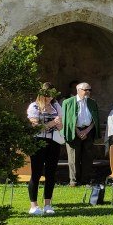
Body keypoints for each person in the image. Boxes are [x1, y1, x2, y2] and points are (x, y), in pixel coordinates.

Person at [26, 83, 63, 215]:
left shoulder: (56, 106)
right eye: (47, 95)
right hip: (38, 142)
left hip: (53, 142)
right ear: (41, 94)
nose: (49, 98)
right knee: (36, 173)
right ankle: (34, 205)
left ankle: (48, 204)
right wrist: (52, 123)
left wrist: (59, 124)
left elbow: (61, 126)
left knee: (51, 173)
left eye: (52, 95)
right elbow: (36, 126)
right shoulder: (34, 107)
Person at [62, 81, 98, 190]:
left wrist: (86, 131)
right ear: (78, 90)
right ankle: (73, 181)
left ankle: (85, 180)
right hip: (73, 131)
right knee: (73, 157)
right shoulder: (68, 102)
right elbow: (66, 120)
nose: (88, 92)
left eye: (89, 90)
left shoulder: (92, 102)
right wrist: (77, 131)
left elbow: (95, 119)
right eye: (86, 90)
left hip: (88, 131)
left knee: (88, 157)